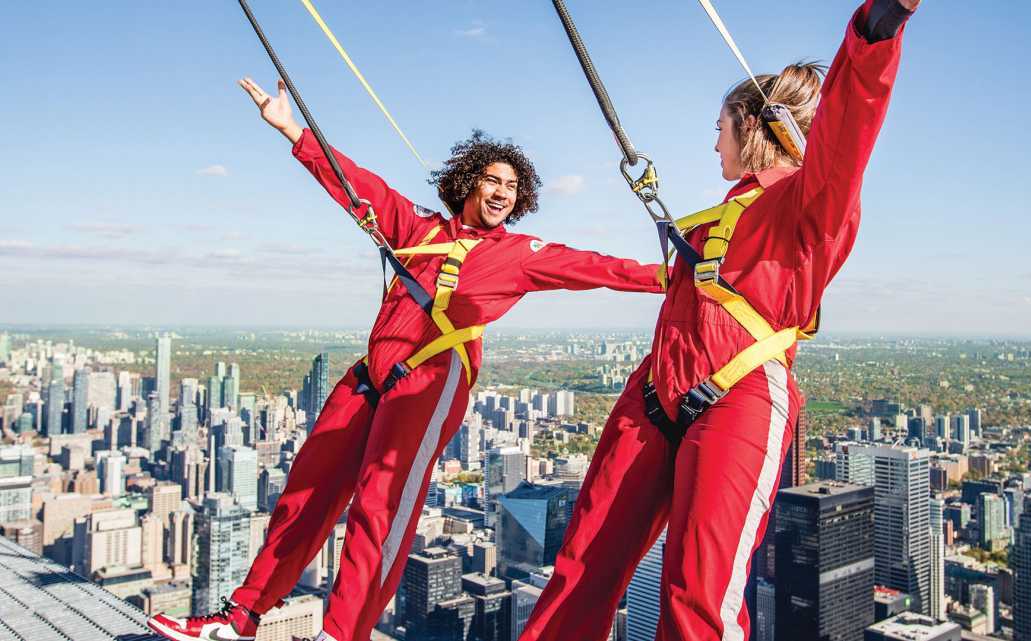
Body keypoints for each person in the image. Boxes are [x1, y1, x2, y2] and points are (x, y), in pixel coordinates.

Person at [147, 78, 663, 641]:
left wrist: (678, 274)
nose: (501, 192)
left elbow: (598, 268)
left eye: (512, 186)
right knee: (304, 493)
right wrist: (292, 129)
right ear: (468, 182)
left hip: (431, 382)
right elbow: (357, 187)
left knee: (380, 509)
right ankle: (240, 615)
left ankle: (342, 633)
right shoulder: (418, 229)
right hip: (369, 378)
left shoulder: (519, 255)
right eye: (492, 179)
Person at [518, 1, 919, 639]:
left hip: (740, 398)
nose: (713, 141)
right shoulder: (708, 225)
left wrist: (879, 25)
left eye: (721, 126)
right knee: (579, 570)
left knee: (698, 597)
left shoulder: (810, 205)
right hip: (653, 394)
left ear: (757, 126)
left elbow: (847, 132)